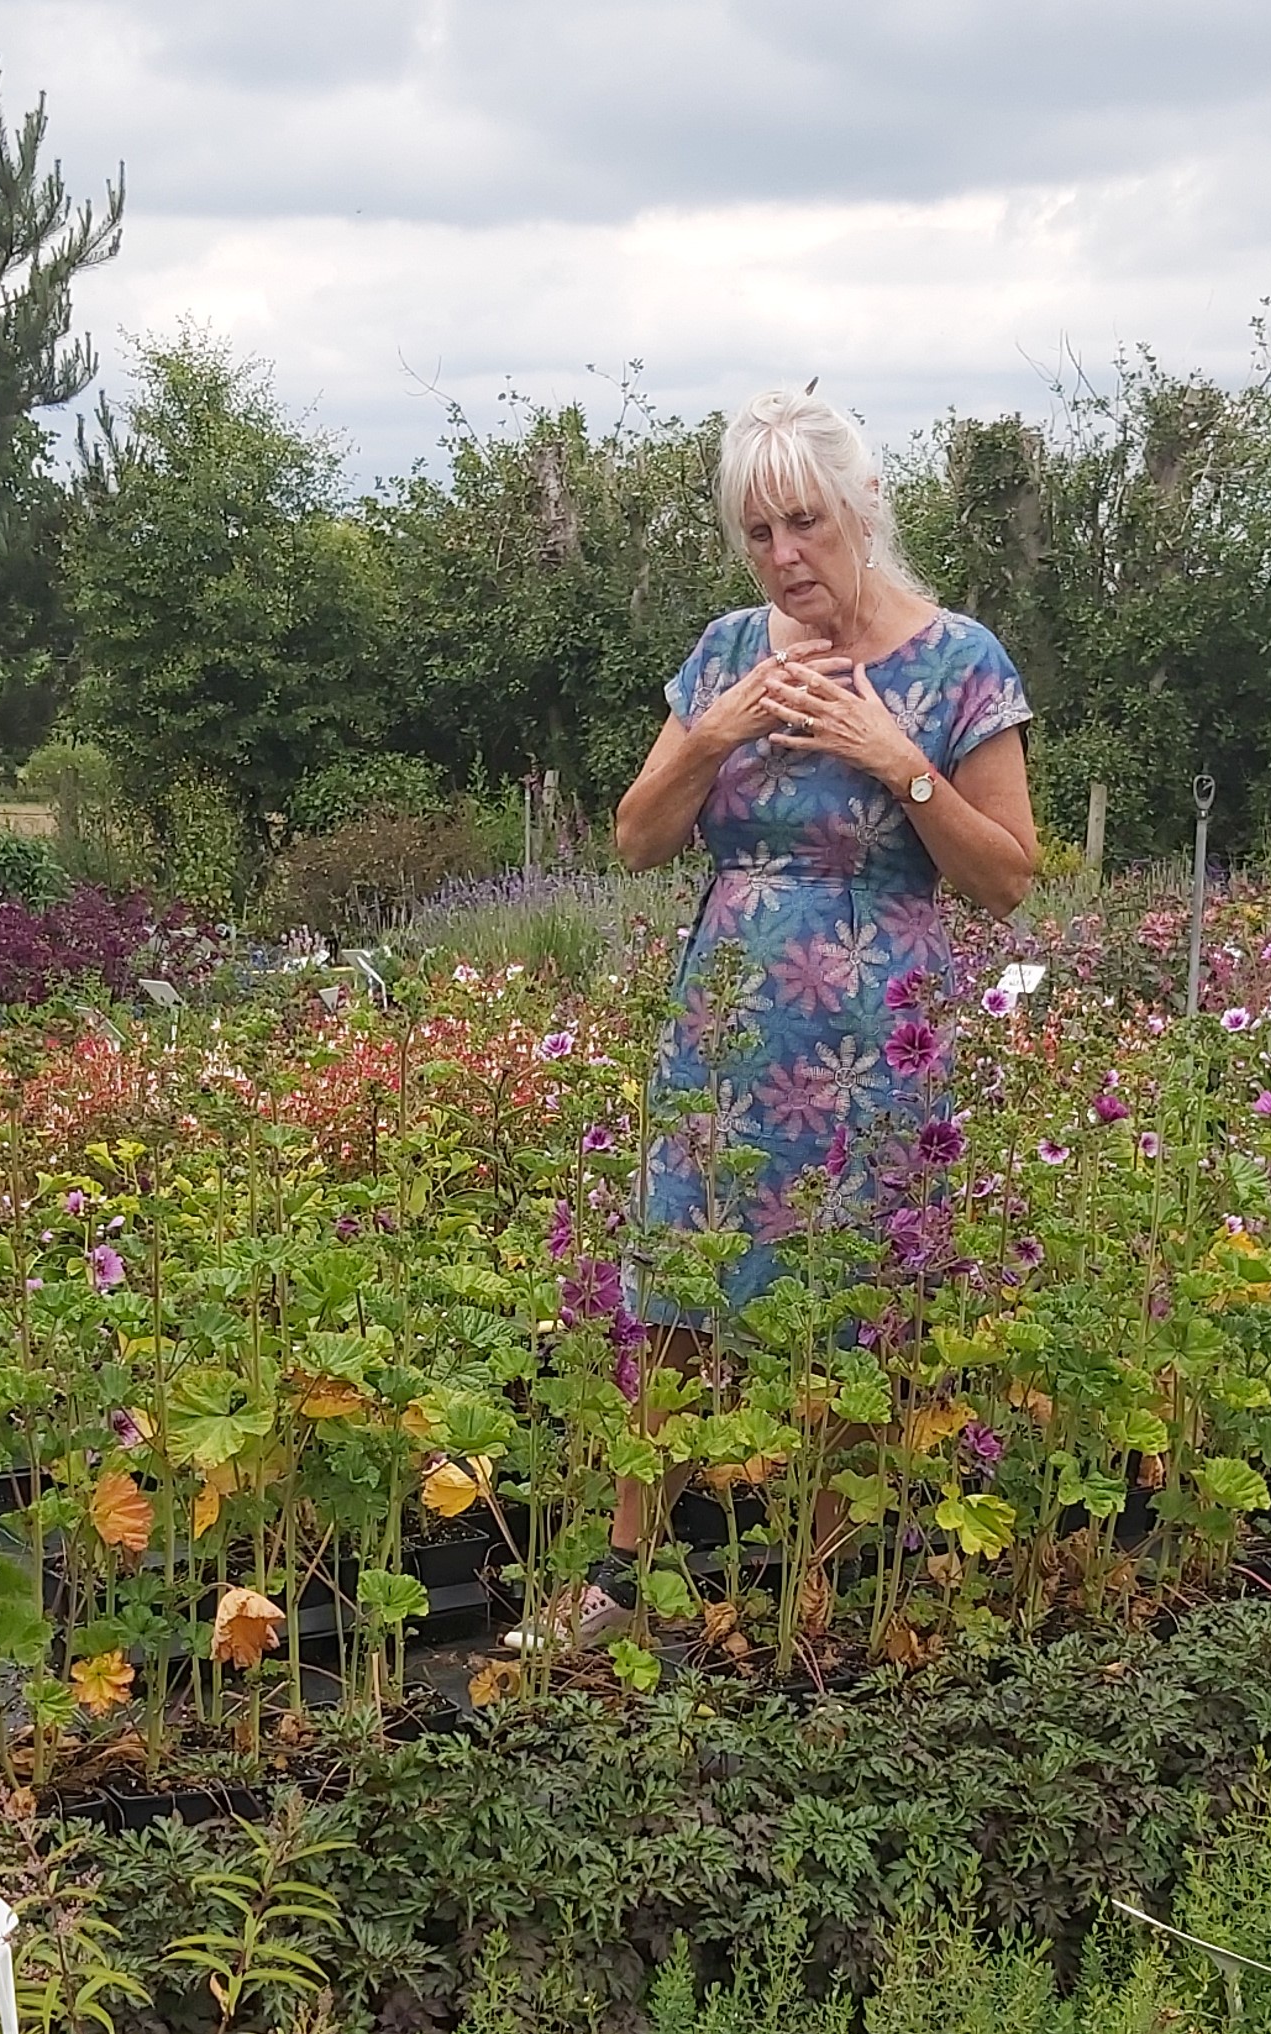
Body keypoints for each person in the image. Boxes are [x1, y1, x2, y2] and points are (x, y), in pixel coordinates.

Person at [511, 385, 1040, 1651]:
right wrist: (713, 734)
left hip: (878, 1039)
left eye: (802, 521)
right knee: (681, 1293)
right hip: (729, 1034)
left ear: (862, 508)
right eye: (758, 532)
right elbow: (637, 840)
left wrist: (892, 755)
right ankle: (622, 1588)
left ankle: (835, 1585)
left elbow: (1008, 879)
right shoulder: (724, 652)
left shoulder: (958, 662)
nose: (783, 555)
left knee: (859, 1292)